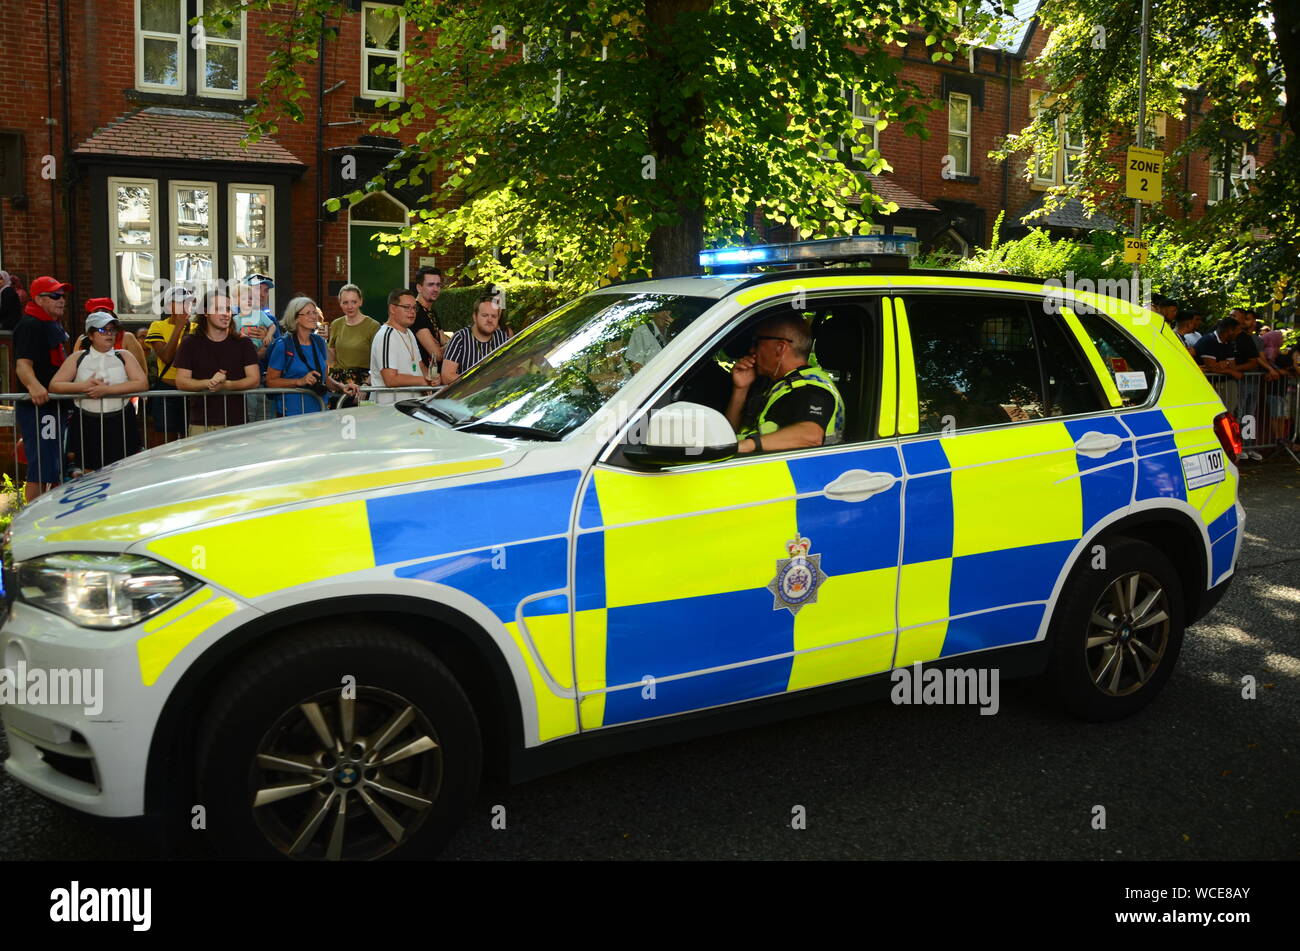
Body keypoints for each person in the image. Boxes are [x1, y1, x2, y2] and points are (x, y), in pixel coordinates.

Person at [725, 314, 844, 454]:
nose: (752, 350)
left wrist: (746, 446)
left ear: (780, 348)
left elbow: (811, 436)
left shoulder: (810, 389)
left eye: (757, 342)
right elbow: (729, 434)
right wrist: (741, 389)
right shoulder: (774, 384)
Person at [49, 310, 148, 472]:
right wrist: (83, 387)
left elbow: (142, 383)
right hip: (87, 422)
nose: (109, 334)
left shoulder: (124, 355)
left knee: (125, 471)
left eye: (112, 330)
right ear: (91, 335)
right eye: (103, 330)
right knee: (88, 473)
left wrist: (107, 390)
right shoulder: (78, 358)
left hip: (120, 421)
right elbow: (55, 385)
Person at [13, 276, 72, 499]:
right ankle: (32, 522)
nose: (62, 300)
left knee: (53, 467)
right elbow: (22, 364)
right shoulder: (31, 325)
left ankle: (51, 518)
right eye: (55, 296)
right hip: (40, 408)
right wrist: (35, 386)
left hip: (53, 407)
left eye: (63, 296)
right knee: (40, 469)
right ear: (39, 299)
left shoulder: (49, 324)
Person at [173, 290, 262, 433]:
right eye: (218, 309)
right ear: (206, 313)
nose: (225, 313)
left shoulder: (243, 342)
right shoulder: (189, 343)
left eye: (228, 309)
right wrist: (209, 383)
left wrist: (227, 385)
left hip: (236, 423)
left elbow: (254, 379)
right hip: (201, 423)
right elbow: (181, 381)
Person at [266, 297, 359, 416]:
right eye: (308, 313)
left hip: (320, 411)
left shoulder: (319, 342)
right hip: (291, 415)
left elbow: (324, 378)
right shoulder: (283, 345)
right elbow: (271, 381)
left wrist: (341, 386)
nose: (314, 316)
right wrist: (299, 381)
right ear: (296, 318)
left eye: (314, 312)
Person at [145, 285, 199, 443]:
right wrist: (179, 327)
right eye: (182, 302)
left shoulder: (197, 328)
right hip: (167, 391)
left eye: (189, 302)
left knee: (190, 439)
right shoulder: (158, 326)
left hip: (191, 391)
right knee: (166, 440)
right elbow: (166, 357)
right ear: (169, 306)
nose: (187, 306)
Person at [369, 289, 433, 405]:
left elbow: (418, 365)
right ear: (392, 309)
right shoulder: (386, 335)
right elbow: (390, 379)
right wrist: (424, 381)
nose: (412, 312)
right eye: (407, 307)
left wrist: (431, 377)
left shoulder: (409, 333)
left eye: (414, 308)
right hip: (389, 409)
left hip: (410, 405)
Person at [235, 273, 281, 422]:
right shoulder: (232, 317)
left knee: (265, 428)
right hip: (242, 381)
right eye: (257, 289)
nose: (262, 294)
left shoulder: (270, 320)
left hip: (265, 381)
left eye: (266, 291)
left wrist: (268, 340)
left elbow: (279, 353)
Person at [441, 295, 509, 384]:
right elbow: (447, 376)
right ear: (475, 316)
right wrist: (480, 382)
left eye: (494, 316)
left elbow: (512, 368)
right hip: (468, 395)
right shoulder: (460, 338)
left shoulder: (502, 338)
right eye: (485, 315)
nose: (489, 320)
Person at [327, 283, 380, 394]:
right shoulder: (336, 324)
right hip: (339, 383)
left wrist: (366, 385)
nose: (350, 306)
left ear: (361, 302)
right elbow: (331, 360)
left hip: (363, 383)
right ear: (340, 303)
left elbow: (378, 361)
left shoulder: (373, 326)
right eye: (345, 302)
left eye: (354, 302)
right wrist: (322, 341)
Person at [71, 297, 148, 368]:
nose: (101, 314)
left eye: (105, 311)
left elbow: (142, 371)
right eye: (96, 312)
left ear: (112, 315)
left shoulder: (127, 337)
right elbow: (74, 370)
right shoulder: (81, 339)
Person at [412, 266, 446, 375]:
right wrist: (453, 343)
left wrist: (444, 345)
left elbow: (444, 340)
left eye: (438, 285)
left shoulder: (431, 312)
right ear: (419, 287)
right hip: (421, 378)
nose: (435, 289)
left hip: (433, 376)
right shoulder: (416, 312)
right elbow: (437, 355)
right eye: (430, 285)